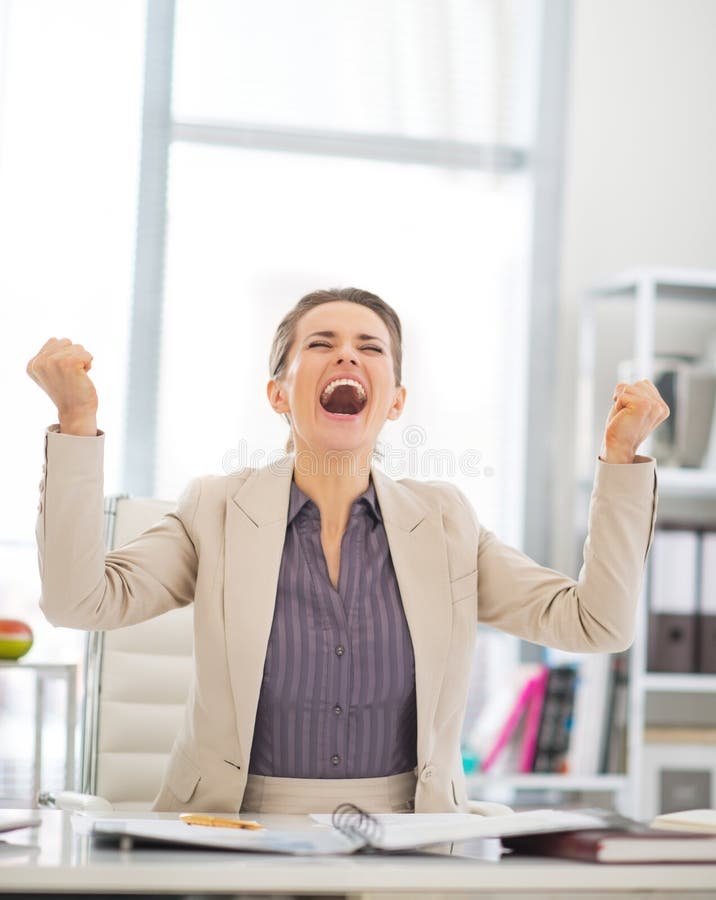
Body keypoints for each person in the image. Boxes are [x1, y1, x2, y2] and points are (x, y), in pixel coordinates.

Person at [27, 287, 669, 815]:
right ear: (278, 394)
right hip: (235, 831)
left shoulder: (445, 521)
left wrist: (620, 461)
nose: (347, 356)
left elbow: (596, 623)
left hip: (407, 839)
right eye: (320, 344)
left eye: (370, 347)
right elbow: (80, 601)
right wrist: (77, 424)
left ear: (396, 401)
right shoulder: (214, 508)